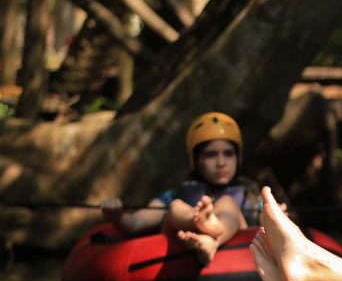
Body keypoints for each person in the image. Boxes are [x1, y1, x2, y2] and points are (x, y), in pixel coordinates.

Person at [102, 113, 250, 263]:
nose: (221, 162)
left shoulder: (253, 195)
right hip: (183, 247)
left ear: (238, 157)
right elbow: (134, 223)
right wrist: (117, 215)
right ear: (196, 160)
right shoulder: (174, 195)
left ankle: (212, 234)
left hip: (237, 254)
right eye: (210, 155)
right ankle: (200, 221)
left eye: (228, 154)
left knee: (228, 203)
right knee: (175, 207)